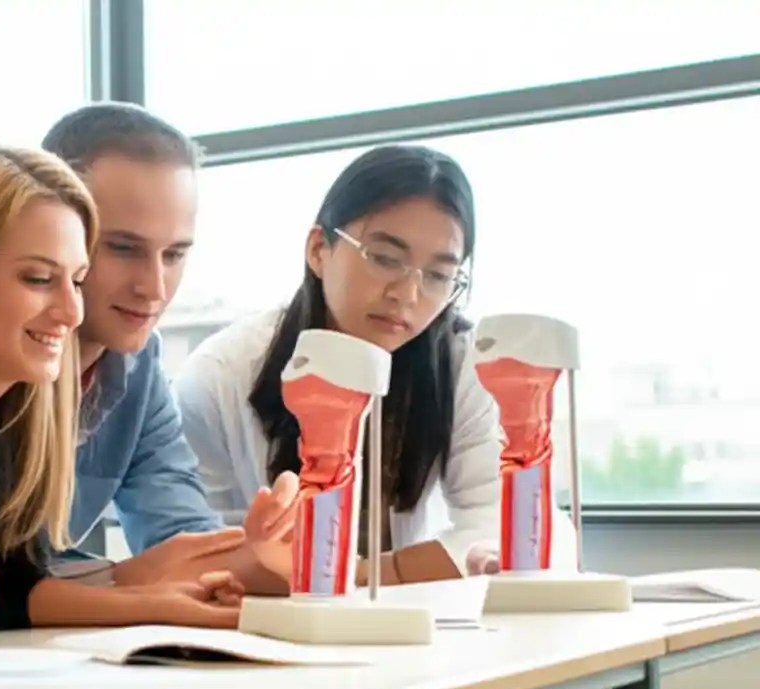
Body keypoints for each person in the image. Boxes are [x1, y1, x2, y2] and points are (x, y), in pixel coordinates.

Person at [0, 143, 241, 631]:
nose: (71, 313)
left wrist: (161, 601)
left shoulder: (13, 409)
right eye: (38, 279)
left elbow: (11, 586)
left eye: (77, 282)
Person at [175, 144, 577, 578]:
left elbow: (519, 528)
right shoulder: (221, 374)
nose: (407, 295)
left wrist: (364, 579)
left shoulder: (465, 363)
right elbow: (201, 556)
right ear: (318, 250)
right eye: (385, 259)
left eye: (439, 275)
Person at [40, 103, 294, 589]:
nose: (154, 287)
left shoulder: (139, 367)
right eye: (123, 248)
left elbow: (176, 532)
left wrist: (259, 552)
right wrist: (126, 579)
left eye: (175, 254)